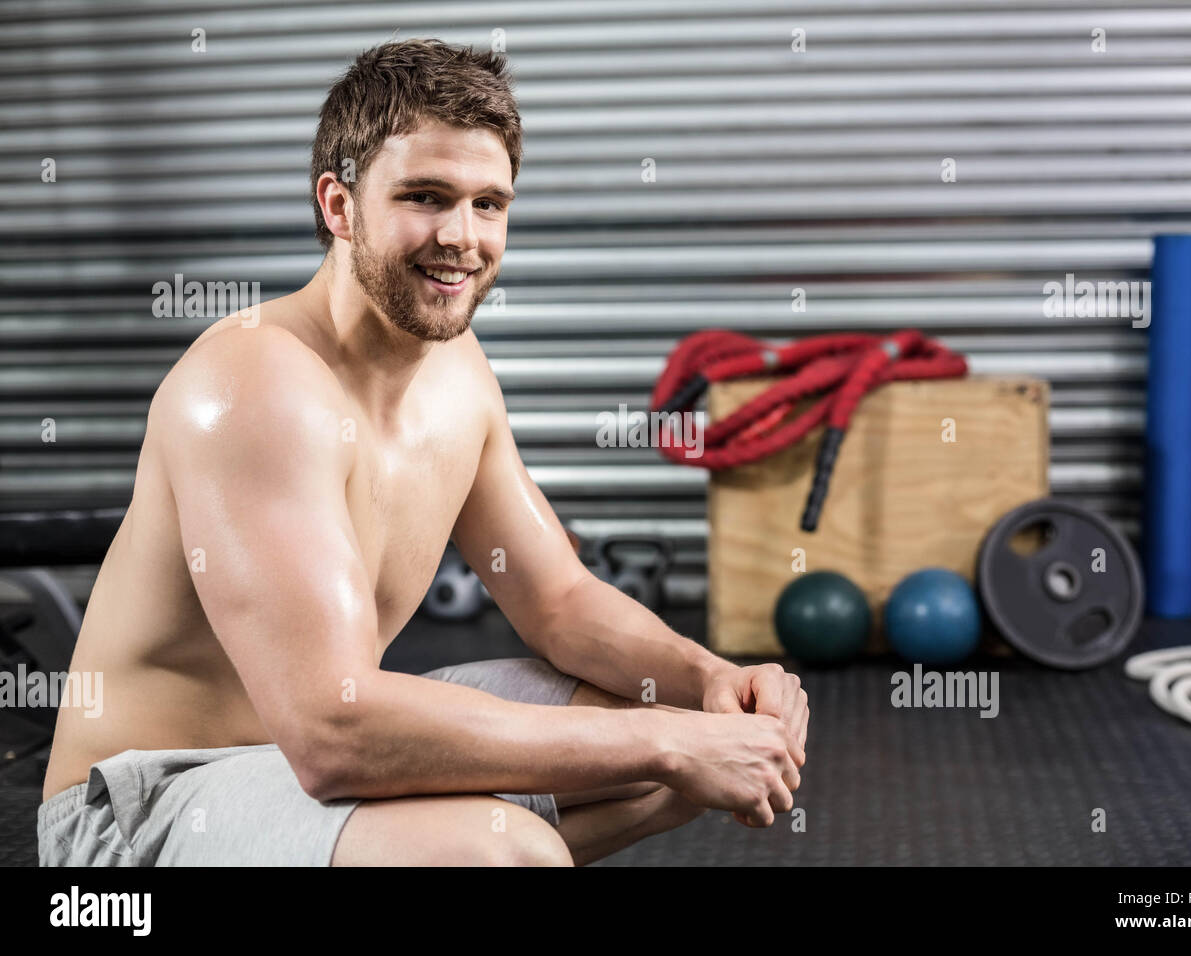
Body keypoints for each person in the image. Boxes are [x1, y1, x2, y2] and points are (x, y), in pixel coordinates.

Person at [37, 38, 808, 867]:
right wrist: (664, 741)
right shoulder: (251, 385)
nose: (461, 237)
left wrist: (708, 682)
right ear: (338, 205)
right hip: (143, 799)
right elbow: (333, 733)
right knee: (505, 848)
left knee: (683, 746)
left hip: (304, 762)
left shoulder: (457, 375)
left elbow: (560, 603)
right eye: (426, 196)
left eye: (488, 203)